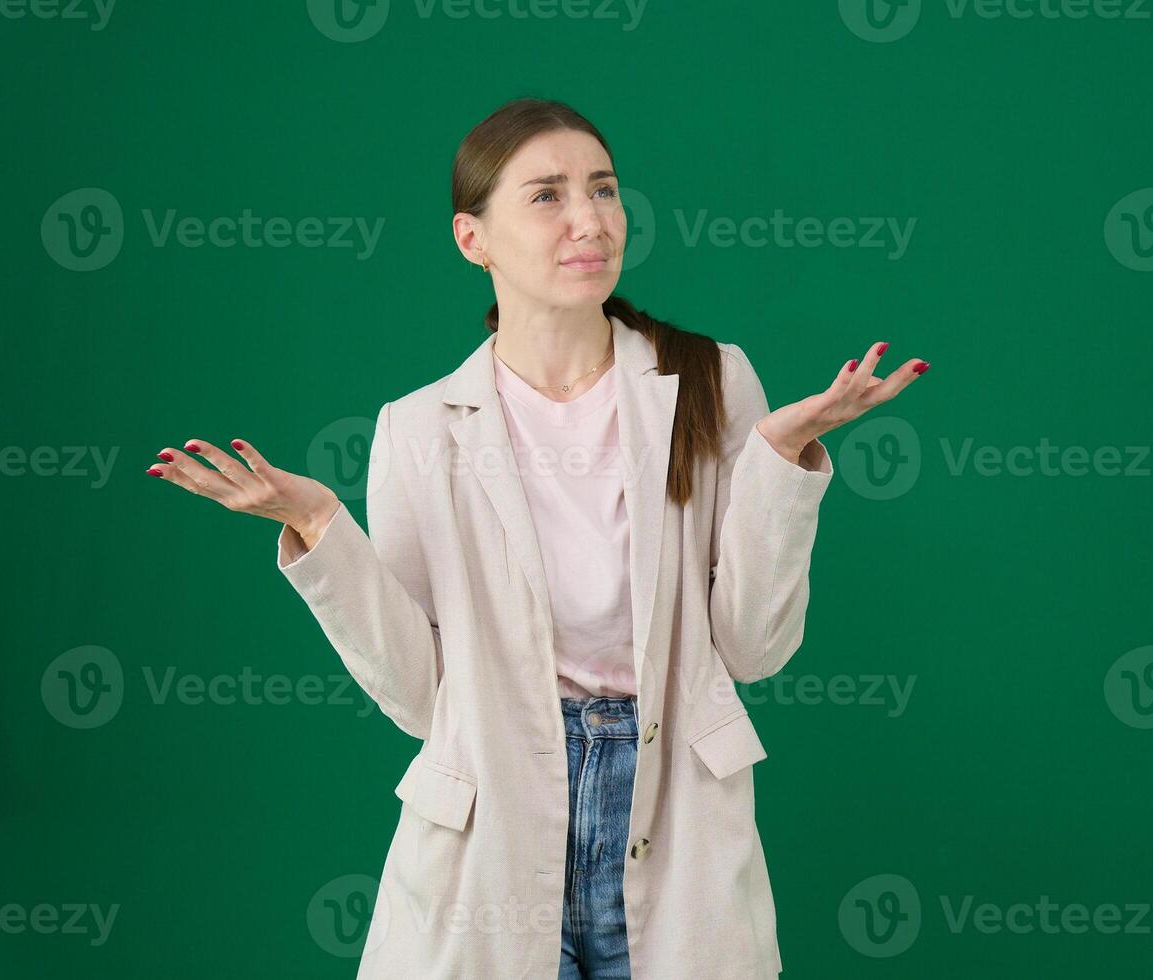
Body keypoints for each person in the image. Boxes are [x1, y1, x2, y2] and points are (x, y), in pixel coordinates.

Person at [145, 97, 929, 979]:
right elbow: (419, 699)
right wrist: (320, 526)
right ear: (471, 238)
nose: (589, 220)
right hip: (491, 834)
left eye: (602, 189)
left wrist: (780, 460)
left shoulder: (710, 379)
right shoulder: (417, 429)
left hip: (673, 812)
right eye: (547, 196)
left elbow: (753, 648)